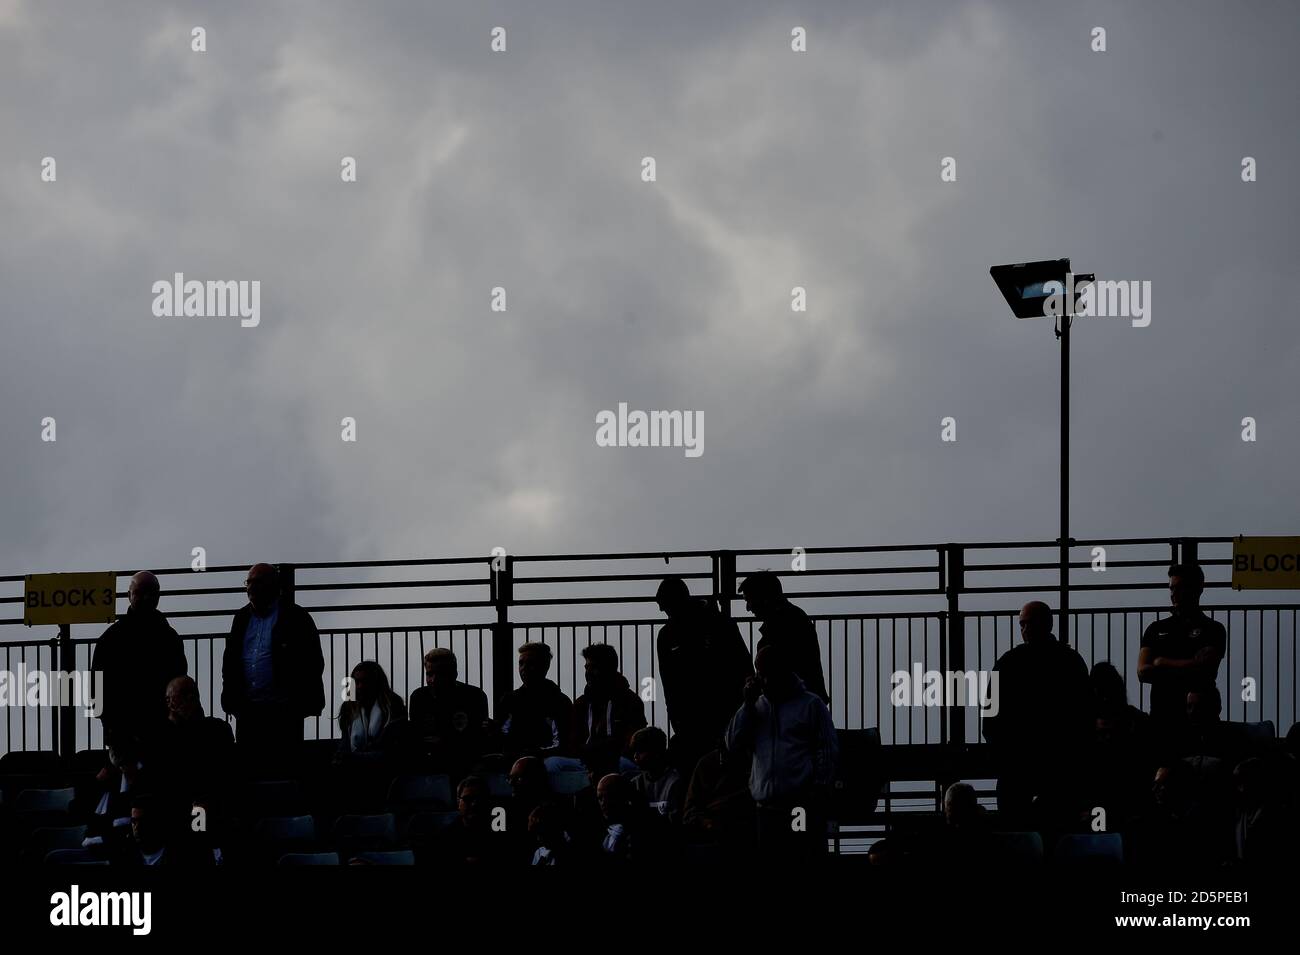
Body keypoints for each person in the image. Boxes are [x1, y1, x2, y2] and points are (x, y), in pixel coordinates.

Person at [981, 601, 1092, 828]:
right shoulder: (1070, 661)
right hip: (1059, 763)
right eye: (1022, 624)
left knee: (1015, 827)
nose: (1024, 629)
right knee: (1059, 826)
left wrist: (1002, 753)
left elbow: (991, 716)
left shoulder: (1008, 662)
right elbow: (1083, 714)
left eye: (1027, 624)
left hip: (1018, 763)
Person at [724, 643, 838, 862]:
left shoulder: (811, 705)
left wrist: (818, 787)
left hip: (800, 803)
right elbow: (733, 743)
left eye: (767, 674)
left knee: (801, 857)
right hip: (766, 807)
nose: (762, 681)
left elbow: (827, 751)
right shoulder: (755, 707)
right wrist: (746, 705)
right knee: (774, 864)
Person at [220, 563, 325, 770]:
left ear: (273, 585)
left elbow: (313, 662)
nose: (251, 588)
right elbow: (230, 662)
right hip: (248, 710)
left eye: (257, 582)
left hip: (284, 709)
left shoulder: (296, 617)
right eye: (248, 583)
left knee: (284, 767)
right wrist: (233, 701)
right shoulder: (241, 618)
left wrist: (297, 701)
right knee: (251, 770)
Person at [655, 576, 754, 774]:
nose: (664, 612)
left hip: (709, 717)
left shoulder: (669, 635)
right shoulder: (718, 623)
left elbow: (670, 685)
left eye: (666, 607)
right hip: (710, 716)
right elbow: (743, 666)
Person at [90, 571, 188, 751]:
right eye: (141, 592)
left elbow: (97, 691)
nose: (146, 597)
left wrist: (109, 728)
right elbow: (180, 679)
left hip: (125, 729)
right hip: (160, 728)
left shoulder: (111, 638)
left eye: (150, 593)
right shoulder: (169, 637)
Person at [1138, 563, 1226, 740]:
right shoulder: (1156, 628)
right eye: (1172, 588)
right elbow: (1142, 672)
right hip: (1162, 718)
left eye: (1180, 588)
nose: (1174, 594)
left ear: (1198, 589)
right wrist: (1190, 664)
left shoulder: (1213, 629)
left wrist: (1161, 663)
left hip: (1198, 722)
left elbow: (1206, 668)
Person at [738, 571, 828, 703]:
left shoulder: (782, 626)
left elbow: (778, 673)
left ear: (763, 598)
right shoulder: (794, 618)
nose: (748, 608)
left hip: (795, 703)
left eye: (749, 600)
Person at [408, 648, 489, 776]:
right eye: (429, 674)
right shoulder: (419, 697)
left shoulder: (474, 696)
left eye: (440, 674)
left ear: (454, 674)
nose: (433, 680)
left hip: (464, 760)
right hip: (432, 760)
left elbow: (478, 740)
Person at [492, 643, 573, 761]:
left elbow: (562, 744)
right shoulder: (509, 700)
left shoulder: (559, 702)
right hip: (514, 759)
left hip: (545, 759)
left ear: (544, 666)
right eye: (521, 663)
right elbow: (503, 736)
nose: (524, 667)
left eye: (530, 663)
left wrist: (532, 753)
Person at [570, 644, 647, 762]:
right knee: (555, 764)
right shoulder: (581, 703)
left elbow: (633, 742)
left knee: (623, 764)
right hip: (585, 761)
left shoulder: (630, 701)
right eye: (586, 668)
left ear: (609, 668)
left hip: (617, 761)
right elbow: (573, 741)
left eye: (594, 667)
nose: (588, 672)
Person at [628, 726, 686, 825]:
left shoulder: (675, 782)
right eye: (635, 751)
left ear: (656, 751)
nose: (635, 756)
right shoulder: (634, 783)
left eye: (641, 751)